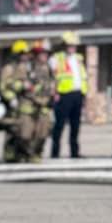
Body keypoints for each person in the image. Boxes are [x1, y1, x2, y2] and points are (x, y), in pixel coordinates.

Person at [49, 30, 89, 159]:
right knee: (59, 125)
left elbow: (82, 77)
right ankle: (55, 152)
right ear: (64, 45)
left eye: (74, 46)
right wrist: (54, 92)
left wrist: (84, 94)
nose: (72, 48)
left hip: (77, 94)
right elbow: (53, 77)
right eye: (70, 45)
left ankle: (74, 152)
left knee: (75, 125)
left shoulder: (79, 58)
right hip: (63, 95)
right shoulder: (56, 58)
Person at [0, 40, 36, 163]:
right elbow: (4, 87)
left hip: (25, 103)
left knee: (24, 132)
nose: (26, 56)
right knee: (12, 131)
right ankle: (9, 156)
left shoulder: (28, 67)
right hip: (13, 105)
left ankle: (21, 154)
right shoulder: (9, 68)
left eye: (26, 53)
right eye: (23, 53)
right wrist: (12, 98)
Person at [26, 39, 56, 162]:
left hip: (46, 106)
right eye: (41, 54)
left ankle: (37, 153)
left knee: (43, 133)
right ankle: (28, 154)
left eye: (46, 53)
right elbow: (28, 87)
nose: (44, 56)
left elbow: (52, 84)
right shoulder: (30, 68)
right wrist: (37, 100)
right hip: (32, 105)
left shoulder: (48, 68)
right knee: (27, 133)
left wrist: (52, 96)